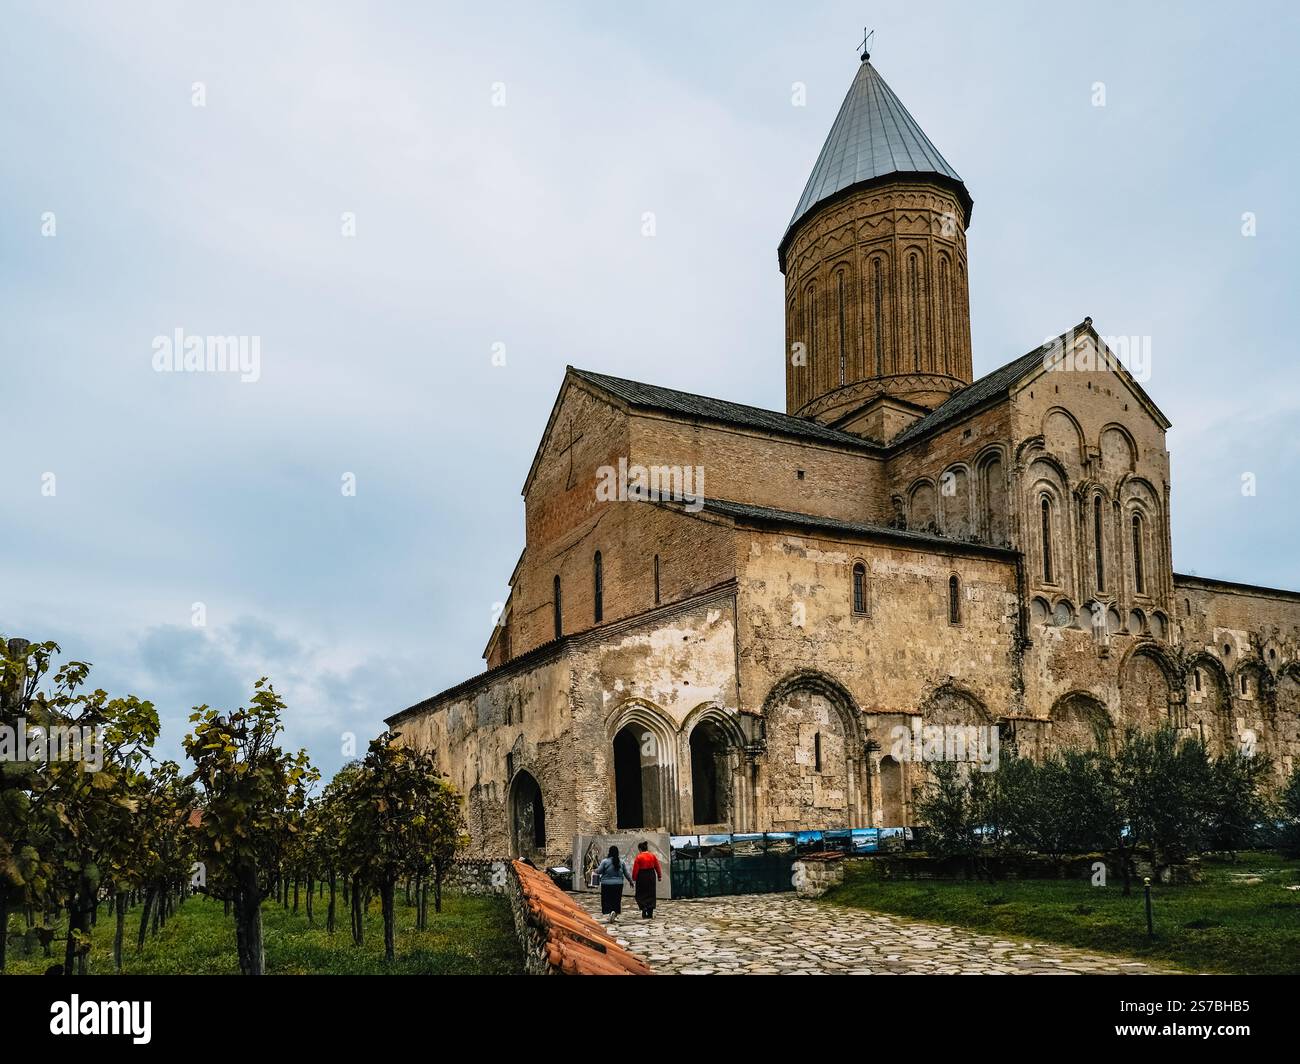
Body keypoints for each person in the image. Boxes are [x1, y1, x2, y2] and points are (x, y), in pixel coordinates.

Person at [595, 845, 632, 923]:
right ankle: (614, 912)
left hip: (606, 884)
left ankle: (609, 912)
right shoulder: (621, 862)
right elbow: (626, 873)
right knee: (616, 900)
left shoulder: (605, 861)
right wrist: (631, 881)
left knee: (607, 900)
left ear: (609, 852)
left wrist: (595, 870)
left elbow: (599, 871)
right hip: (618, 884)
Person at [631, 840, 662, 919]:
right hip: (651, 875)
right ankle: (650, 911)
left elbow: (635, 869)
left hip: (642, 876)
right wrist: (659, 876)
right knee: (651, 893)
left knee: (641, 893)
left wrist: (634, 878)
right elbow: (657, 866)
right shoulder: (652, 856)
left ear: (640, 849)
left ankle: (643, 907)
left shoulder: (639, 857)